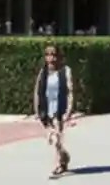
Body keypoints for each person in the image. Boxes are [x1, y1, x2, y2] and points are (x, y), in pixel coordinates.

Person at [34, 44, 76, 178]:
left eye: (53, 55)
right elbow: (37, 91)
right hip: (46, 109)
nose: (51, 58)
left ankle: (57, 165)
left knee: (57, 138)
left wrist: (69, 110)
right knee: (53, 139)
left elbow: (70, 91)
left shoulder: (65, 71)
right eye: (48, 55)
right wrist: (37, 110)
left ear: (59, 57)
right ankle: (64, 157)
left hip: (59, 109)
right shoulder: (43, 72)